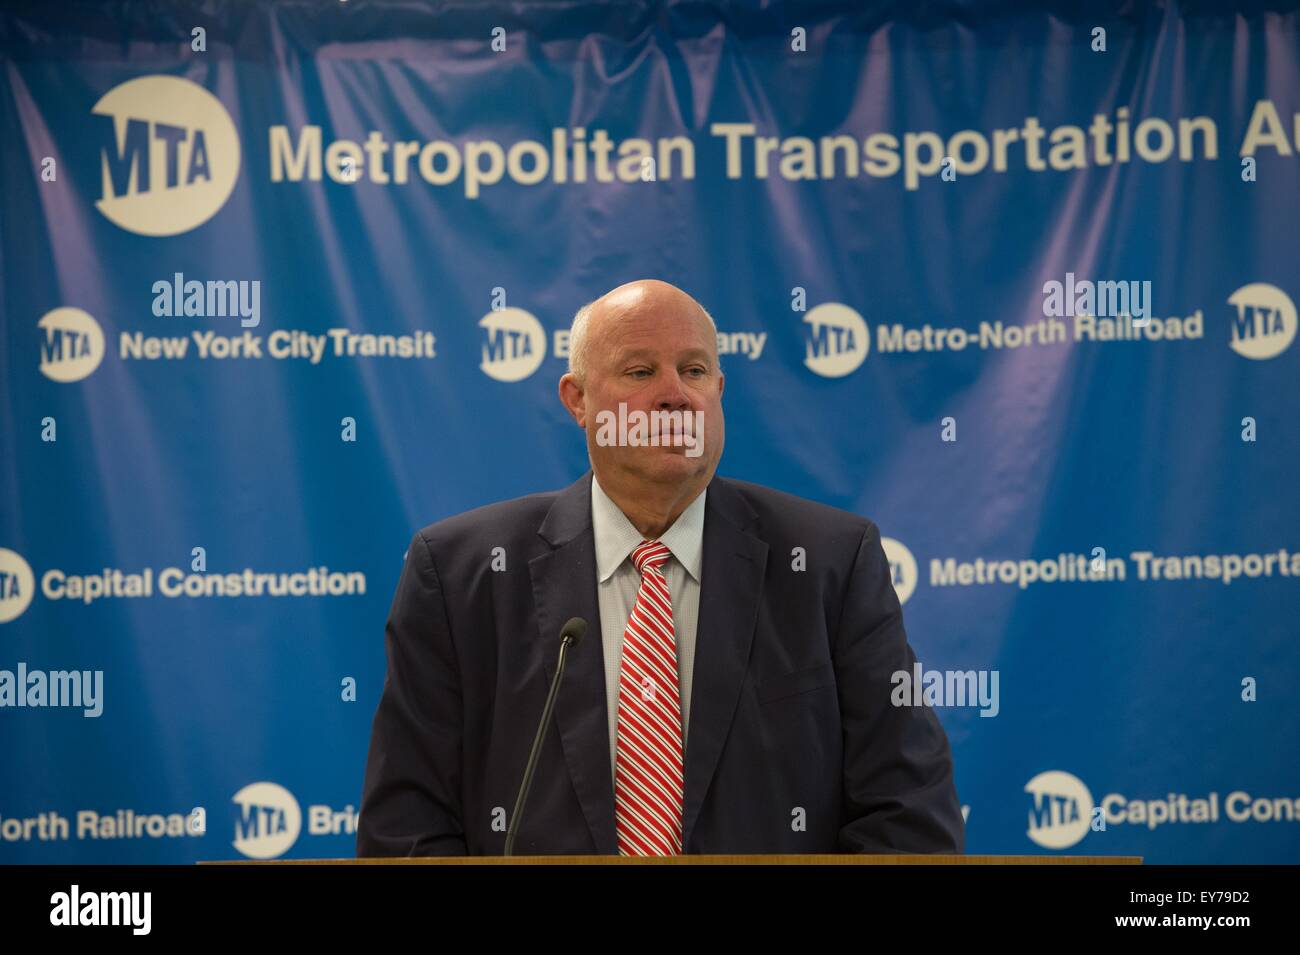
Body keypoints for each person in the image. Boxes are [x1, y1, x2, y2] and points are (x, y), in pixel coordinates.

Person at [357, 279, 964, 856]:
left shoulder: (831, 563)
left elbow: (908, 813)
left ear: (718, 393)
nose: (675, 393)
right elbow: (407, 827)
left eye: (694, 370)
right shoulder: (462, 575)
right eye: (640, 371)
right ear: (578, 400)